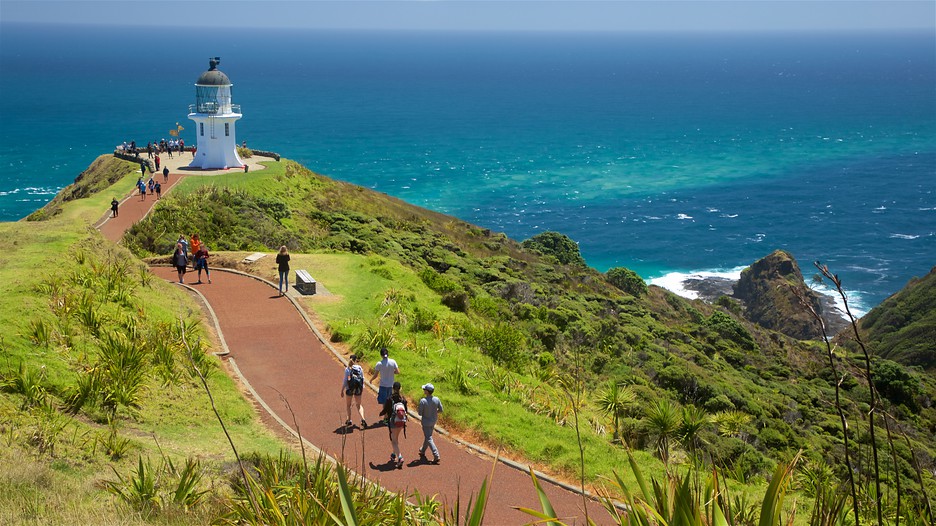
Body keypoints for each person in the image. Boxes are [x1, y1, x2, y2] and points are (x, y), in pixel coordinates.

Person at [379, 381, 407, 468]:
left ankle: (400, 457)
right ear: (400, 388)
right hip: (401, 422)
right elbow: (406, 411)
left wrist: (381, 414)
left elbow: (385, 410)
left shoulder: (389, 399)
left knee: (393, 440)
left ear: (393, 388)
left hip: (393, 422)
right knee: (396, 438)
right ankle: (394, 454)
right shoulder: (403, 399)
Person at [417, 383, 443, 464]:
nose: (423, 390)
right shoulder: (437, 399)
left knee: (429, 438)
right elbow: (441, 410)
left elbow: (420, 413)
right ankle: (422, 450)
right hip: (433, 421)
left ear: (427, 392)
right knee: (428, 436)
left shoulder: (423, 401)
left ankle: (436, 455)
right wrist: (434, 412)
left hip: (425, 422)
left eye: (424, 389)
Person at [340, 354, 367, 428]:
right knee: (359, 405)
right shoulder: (360, 368)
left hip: (349, 389)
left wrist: (342, 390)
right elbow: (362, 379)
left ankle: (349, 420)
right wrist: (361, 388)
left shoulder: (348, 369)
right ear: (356, 360)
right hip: (358, 389)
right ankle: (362, 419)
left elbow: (345, 380)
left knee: (348, 405)